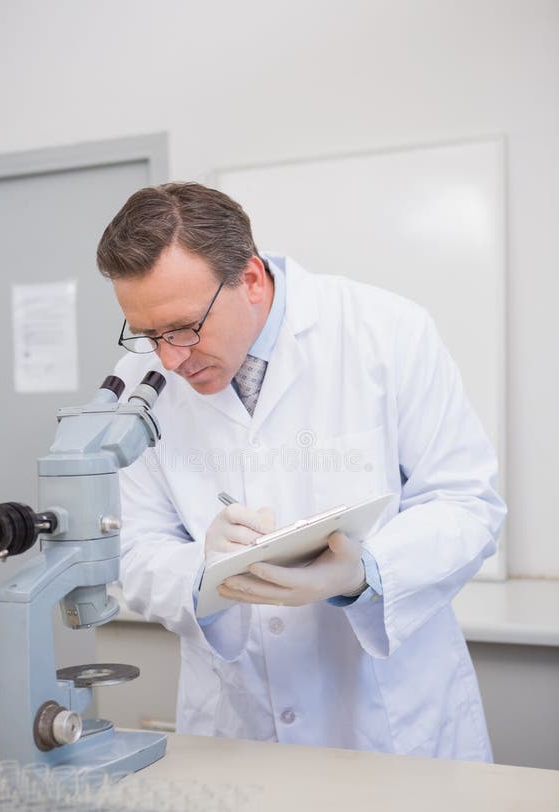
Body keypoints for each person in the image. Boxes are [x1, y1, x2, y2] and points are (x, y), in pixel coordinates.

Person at [96, 182, 506, 761]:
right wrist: (201, 572)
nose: (170, 358)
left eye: (186, 327)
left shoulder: (385, 332)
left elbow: (467, 502)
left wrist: (365, 572)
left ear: (252, 281)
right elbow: (133, 546)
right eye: (147, 333)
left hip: (388, 722)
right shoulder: (141, 381)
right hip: (237, 725)